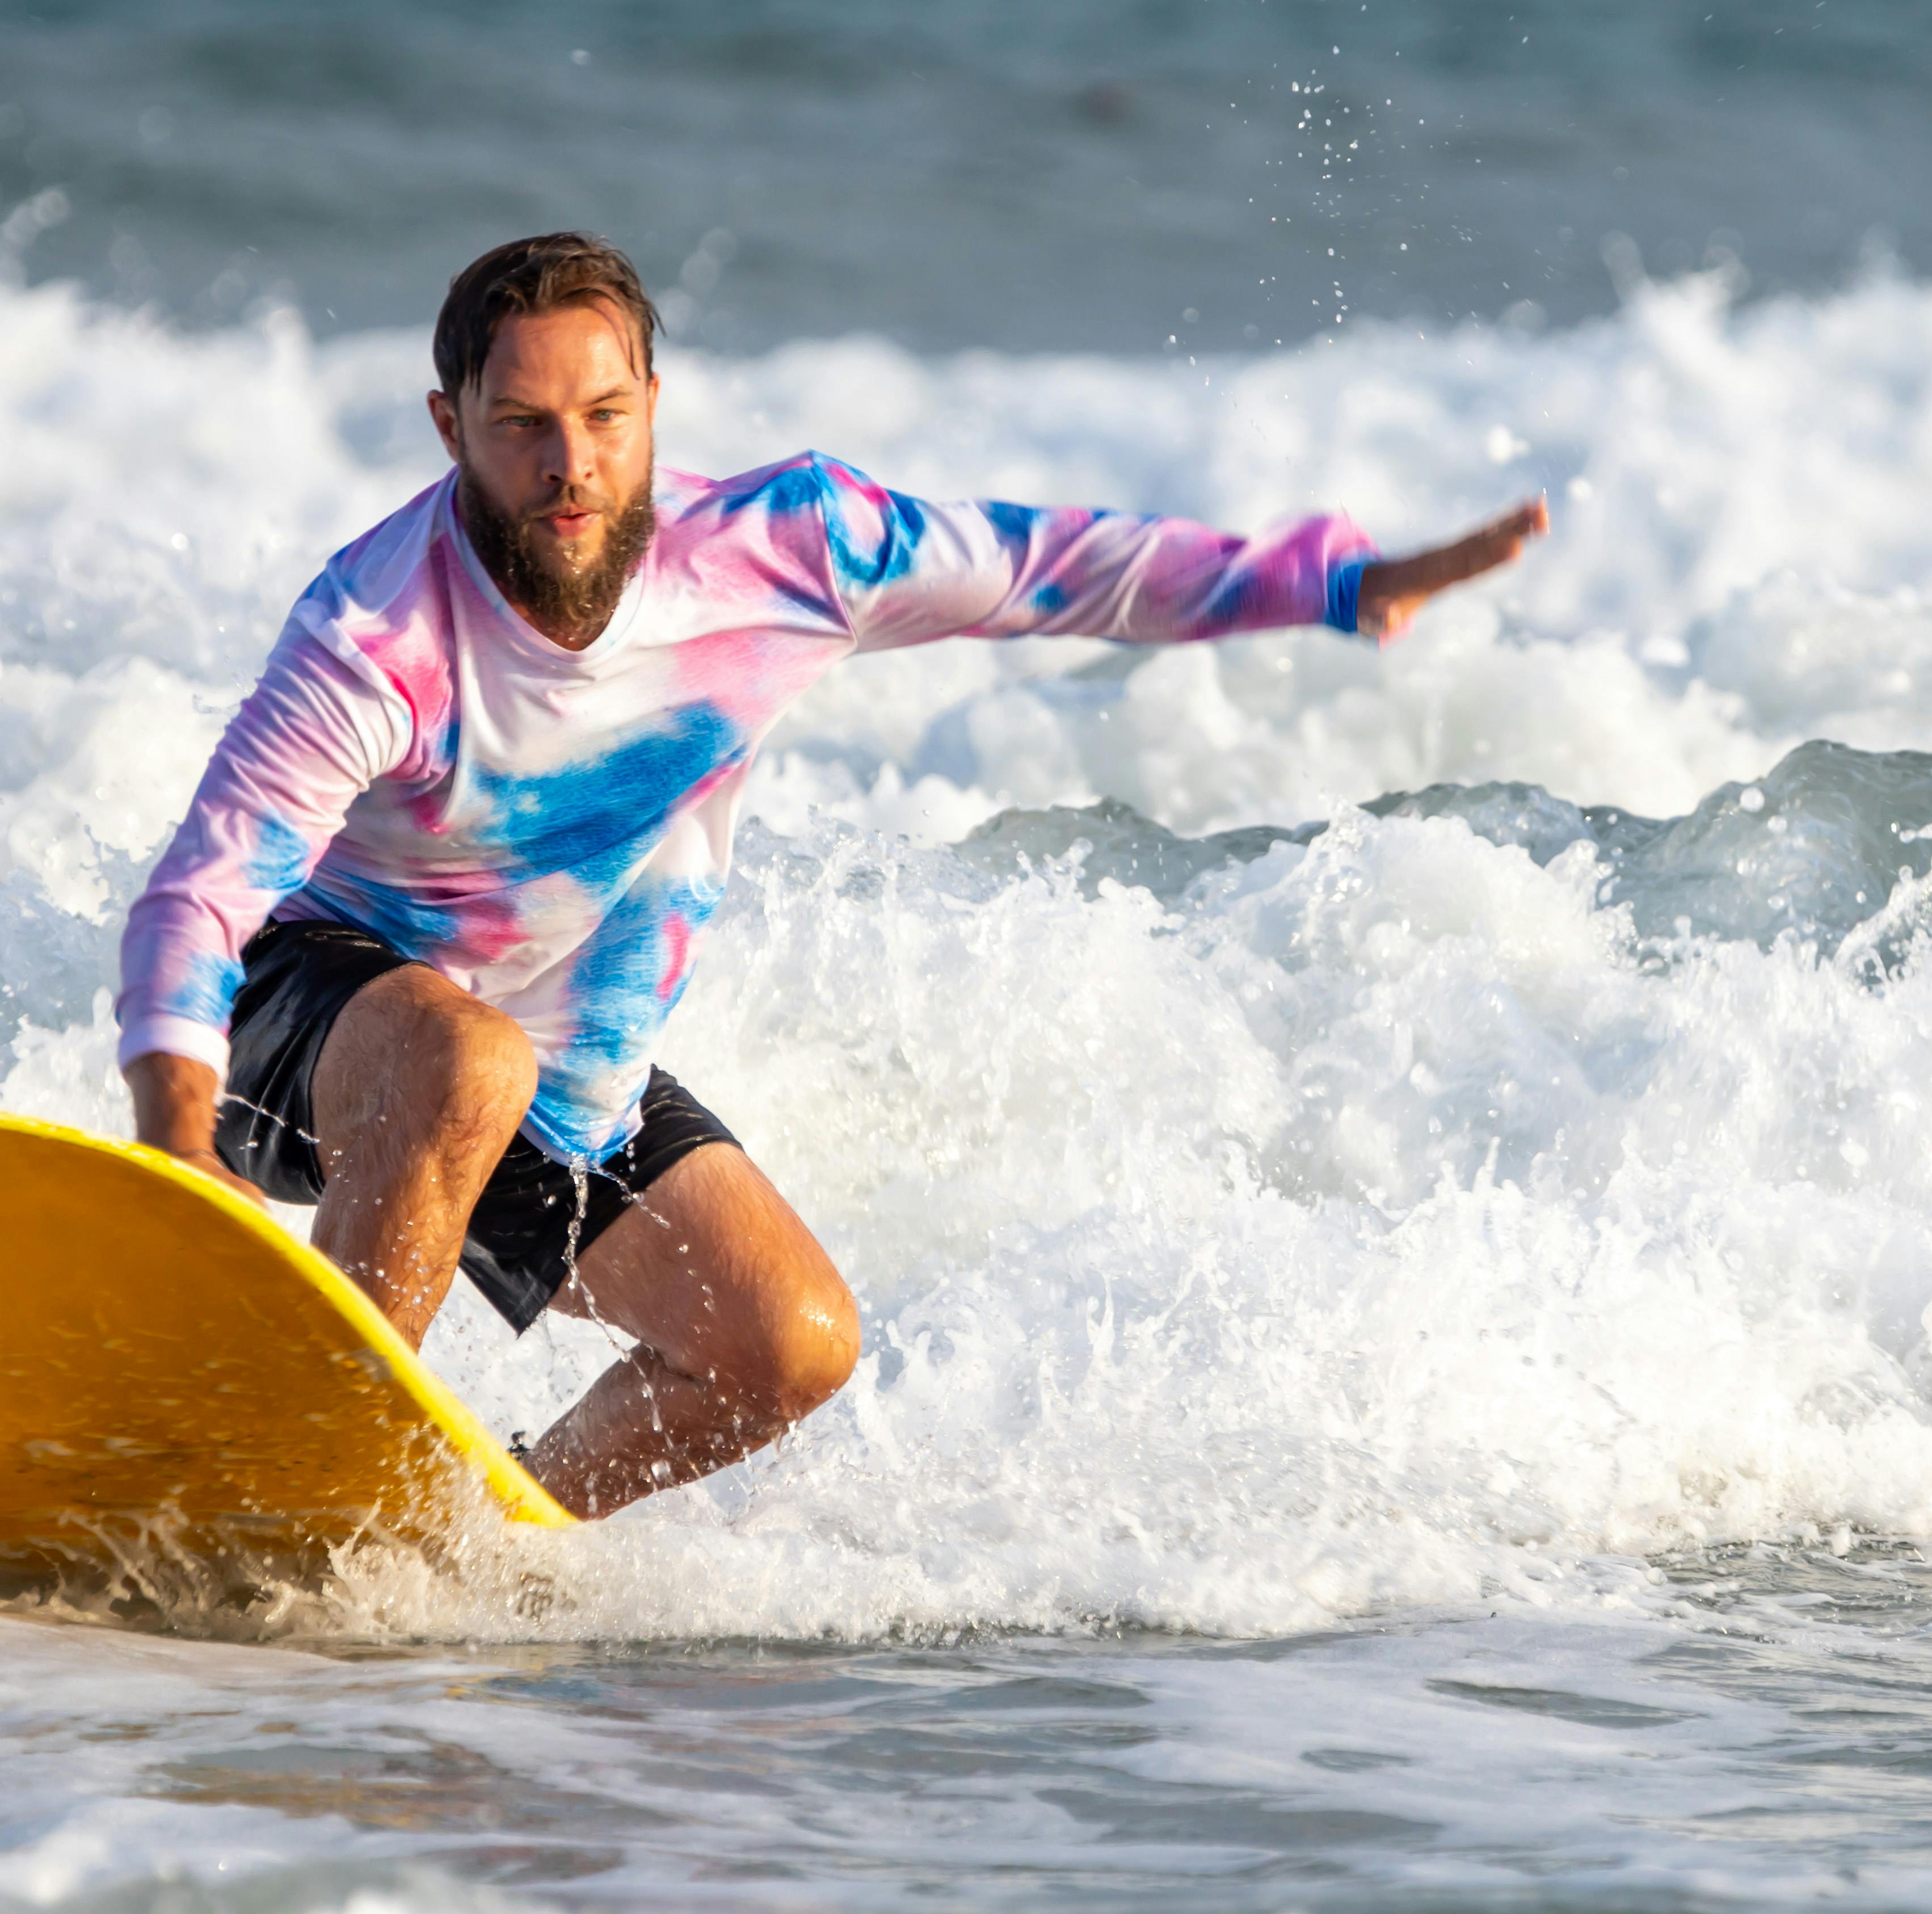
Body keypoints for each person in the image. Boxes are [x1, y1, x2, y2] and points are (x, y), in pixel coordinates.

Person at [119, 233, 1546, 1516]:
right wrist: (179, 1151)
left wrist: (1339, 585)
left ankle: (478, 1545)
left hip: (558, 1073)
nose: (572, 465)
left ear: (653, 403)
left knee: (784, 1345)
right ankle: (299, 1491)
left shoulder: (788, 552)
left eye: (606, 416)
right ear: (452, 427)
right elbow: (205, 888)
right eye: (523, 425)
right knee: (463, 1057)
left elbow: (1054, 568)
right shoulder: (378, 628)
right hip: (305, 1023)